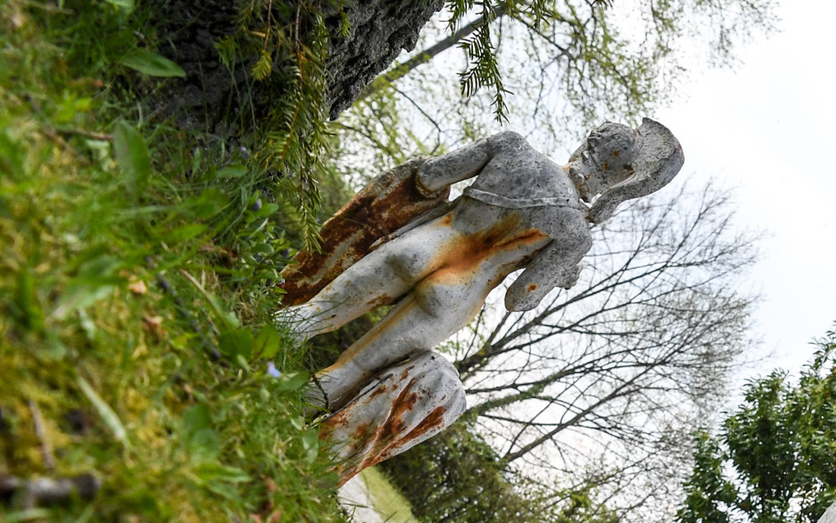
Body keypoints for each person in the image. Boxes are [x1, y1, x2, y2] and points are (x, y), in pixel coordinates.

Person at [276, 120, 683, 412]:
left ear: (585, 141)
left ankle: (241, 345)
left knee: (308, 317)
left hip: (423, 247)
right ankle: (278, 416)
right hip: (456, 295)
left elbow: (430, 177)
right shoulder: (576, 234)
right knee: (351, 373)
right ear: (616, 179)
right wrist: (561, 271)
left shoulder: (512, 146)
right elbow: (518, 299)